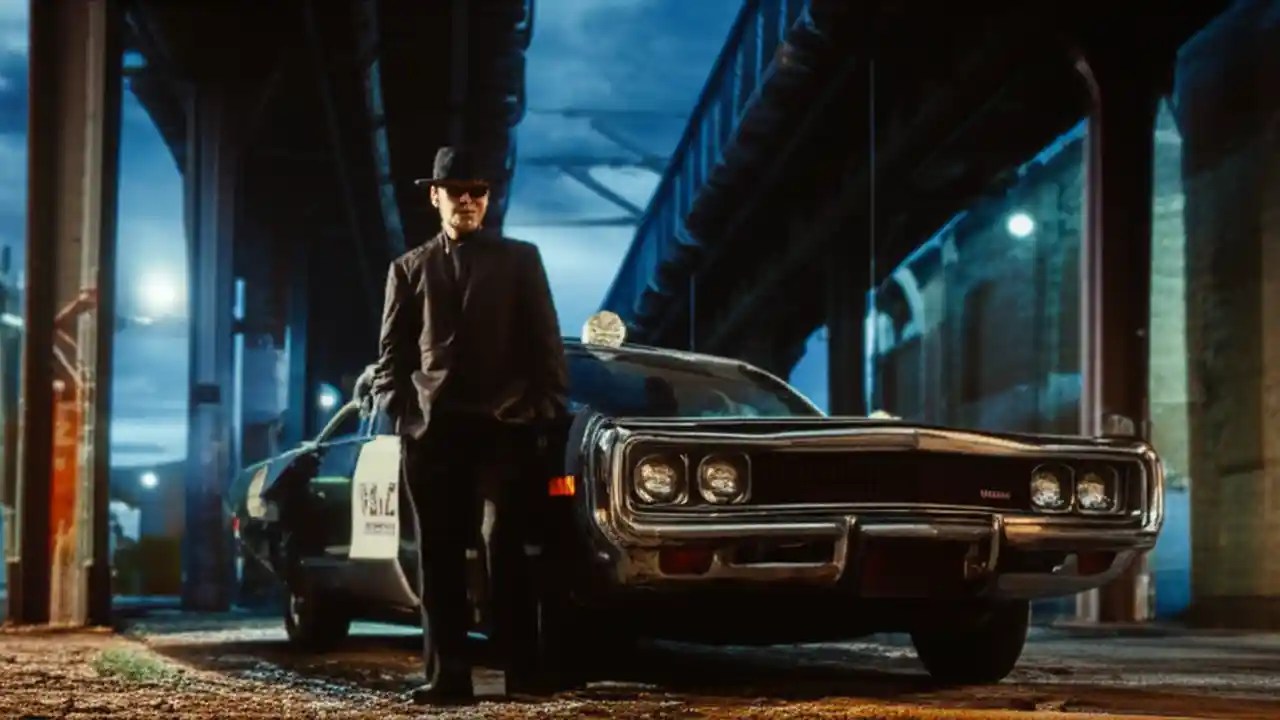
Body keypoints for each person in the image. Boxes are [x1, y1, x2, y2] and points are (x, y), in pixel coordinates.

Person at [370, 146, 568, 704]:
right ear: (435, 196)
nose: (467, 201)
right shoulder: (408, 269)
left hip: (504, 430)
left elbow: (546, 346)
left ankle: (521, 675)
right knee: (438, 556)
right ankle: (449, 678)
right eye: (455, 190)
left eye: (477, 192)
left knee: (504, 550)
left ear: (487, 199)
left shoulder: (520, 260)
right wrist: (403, 413)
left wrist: (540, 408)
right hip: (433, 434)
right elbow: (392, 358)